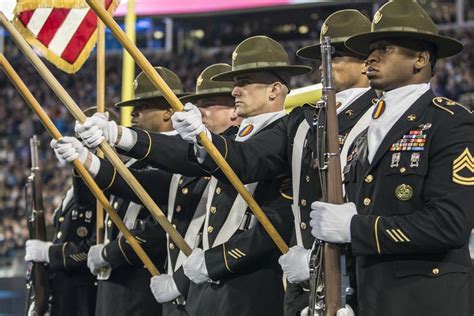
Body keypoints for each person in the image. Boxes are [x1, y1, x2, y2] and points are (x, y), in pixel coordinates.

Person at [75, 35, 306, 316]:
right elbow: (180, 156)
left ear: (274, 90)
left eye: (243, 82)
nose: (235, 92)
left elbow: (250, 170)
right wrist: (119, 137)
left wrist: (213, 263)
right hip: (210, 291)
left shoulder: (288, 131)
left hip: (250, 288)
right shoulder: (236, 138)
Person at [309, 1, 472, 315]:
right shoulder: (363, 130)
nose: (370, 57)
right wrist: (342, 297)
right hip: (372, 299)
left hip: (426, 302)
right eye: (371, 49)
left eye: (384, 48)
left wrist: (355, 229)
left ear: (420, 59)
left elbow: (449, 223)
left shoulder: (450, 122)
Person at [52, 67, 187, 316]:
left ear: (169, 111)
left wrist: (110, 252)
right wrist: (81, 164)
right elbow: (88, 203)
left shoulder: (182, 156)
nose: (133, 113)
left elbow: (163, 227)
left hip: (143, 280)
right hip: (113, 285)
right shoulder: (132, 162)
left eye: (144, 106)